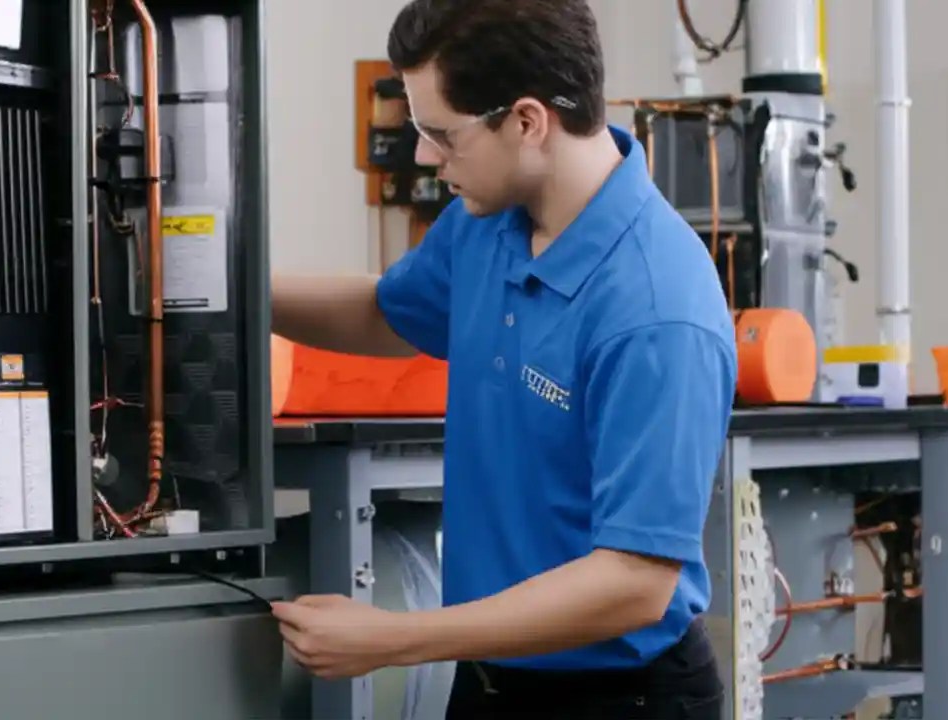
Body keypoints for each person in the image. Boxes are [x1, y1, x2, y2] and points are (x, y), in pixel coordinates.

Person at [268, 0, 736, 717]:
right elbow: (390, 312)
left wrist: (396, 638)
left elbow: (635, 582)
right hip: (491, 681)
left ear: (526, 121)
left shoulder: (654, 307)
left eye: (442, 134)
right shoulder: (486, 223)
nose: (425, 157)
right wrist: (225, 294)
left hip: (622, 699)